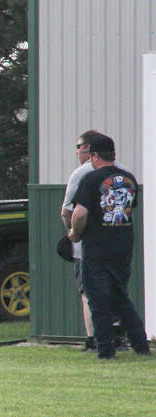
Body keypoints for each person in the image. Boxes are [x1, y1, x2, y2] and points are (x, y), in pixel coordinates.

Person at [68, 133, 150, 359]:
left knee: (98, 300)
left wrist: (75, 233)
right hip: (123, 247)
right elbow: (127, 209)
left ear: (94, 155)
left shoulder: (91, 179)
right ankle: (140, 346)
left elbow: (79, 213)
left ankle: (105, 350)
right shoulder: (130, 179)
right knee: (121, 298)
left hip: (97, 248)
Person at [60, 130, 127, 352]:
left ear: (89, 150)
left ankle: (94, 340)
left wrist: (73, 235)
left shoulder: (81, 174)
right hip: (117, 243)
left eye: (79, 147)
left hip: (88, 247)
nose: (78, 152)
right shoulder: (121, 172)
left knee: (88, 292)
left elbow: (68, 211)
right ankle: (117, 337)